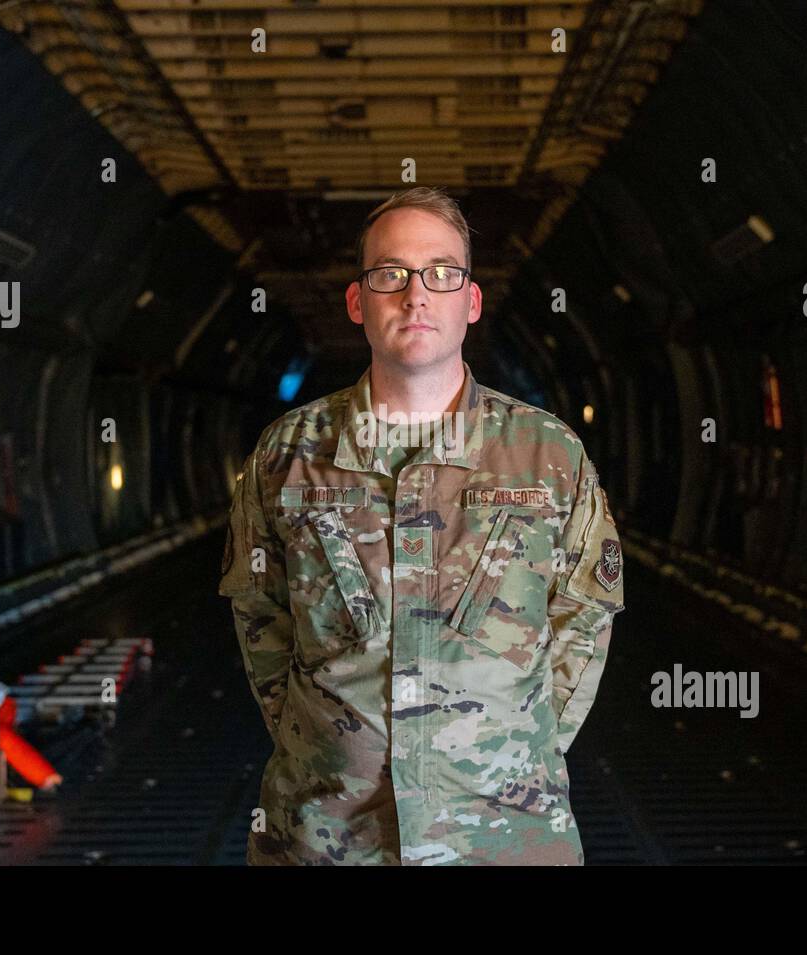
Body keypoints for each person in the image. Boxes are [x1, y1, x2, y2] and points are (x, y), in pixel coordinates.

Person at [218, 186, 625, 865]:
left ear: (470, 301)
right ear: (357, 301)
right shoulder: (287, 456)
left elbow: (585, 612)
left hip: (503, 839)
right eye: (390, 274)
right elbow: (261, 615)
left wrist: (517, 747)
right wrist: (322, 740)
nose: (416, 295)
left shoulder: (547, 454)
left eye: (442, 272)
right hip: (329, 839)